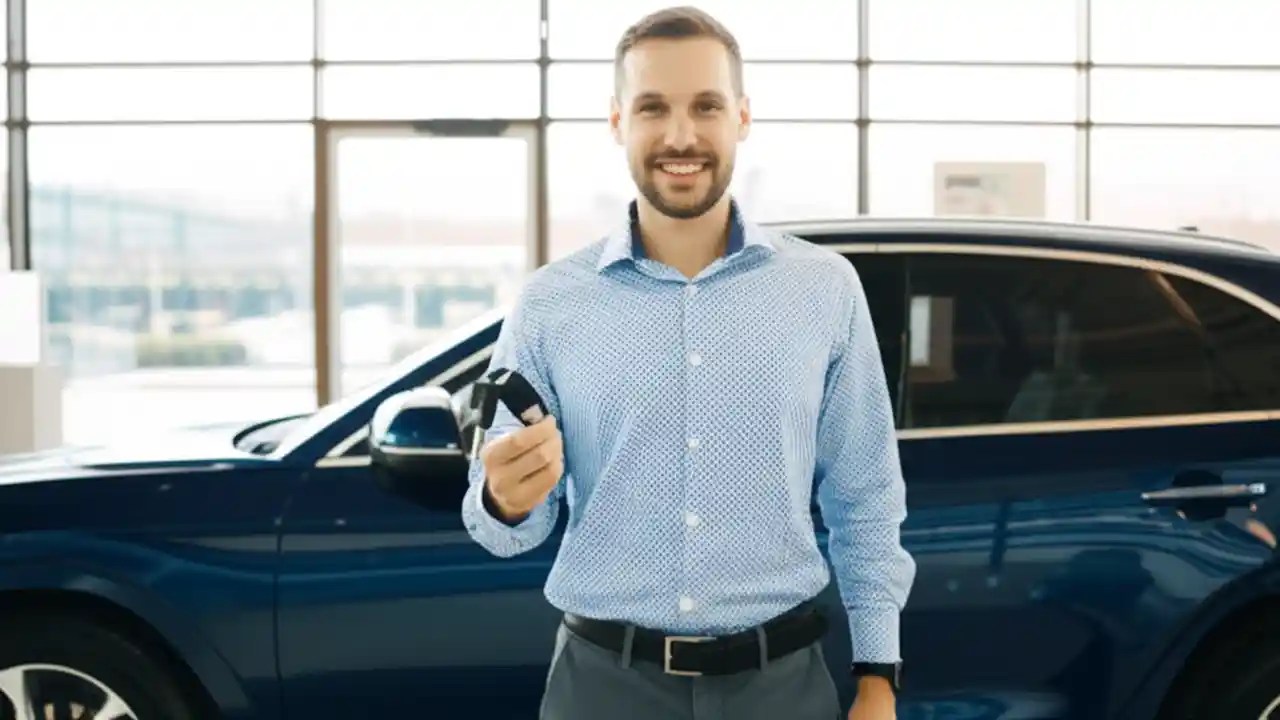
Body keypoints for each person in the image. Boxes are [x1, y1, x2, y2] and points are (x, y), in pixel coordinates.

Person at [460, 6, 915, 719]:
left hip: (783, 689)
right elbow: (504, 527)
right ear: (618, 122)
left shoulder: (824, 291)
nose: (681, 135)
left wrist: (877, 680)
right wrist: (505, 498)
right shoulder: (550, 305)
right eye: (653, 108)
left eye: (705, 106)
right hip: (601, 687)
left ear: (741, 116)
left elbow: (866, 498)